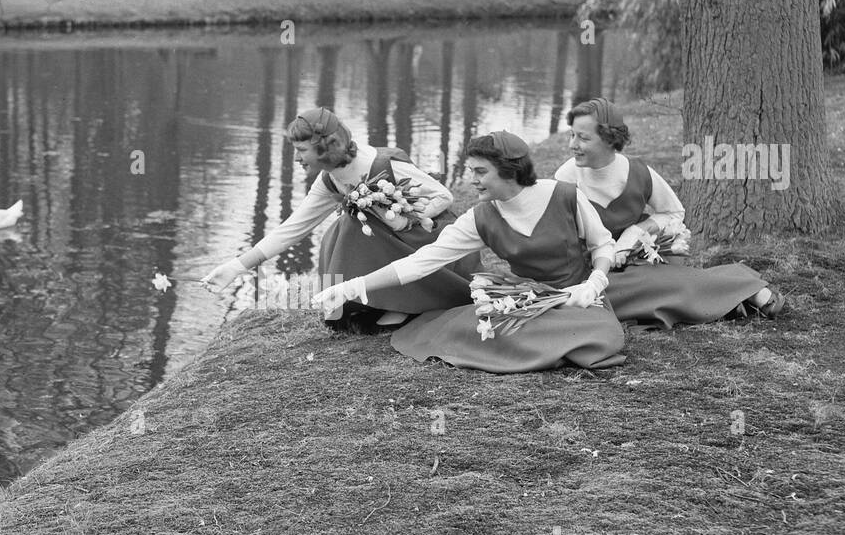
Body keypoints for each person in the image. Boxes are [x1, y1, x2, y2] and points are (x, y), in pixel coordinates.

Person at [313, 131, 626, 373]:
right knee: (471, 328)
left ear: (509, 170)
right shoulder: (480, 218)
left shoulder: (565, 195)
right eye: (471, 171)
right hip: (529, 300)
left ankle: (547, 342)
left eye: (480, 172)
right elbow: (422, 262)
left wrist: (595, 282)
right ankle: (544, 344)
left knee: (602, 336)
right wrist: (353, 286)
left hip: (583, 295)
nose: (472, 180)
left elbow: (602, 245)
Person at [201, 107, 473, 327]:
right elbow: (293, 228)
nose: (296, 158)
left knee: (354, 223)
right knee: (345, 226)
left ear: (327, 146)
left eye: (301, 150)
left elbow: (443, 196)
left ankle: (407, 304)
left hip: (425, 236)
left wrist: (407, 220)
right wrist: (237, 266)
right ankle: (372, 302)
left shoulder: (382, 164)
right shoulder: (329, 180)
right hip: (383, 241)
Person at [557, 98, 785, 329]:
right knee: (619, 293)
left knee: (652, 283)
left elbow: (674, 211)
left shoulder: (638, 172)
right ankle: (735, 294)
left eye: (583, 138)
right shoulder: (566, 178)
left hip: (637, 265)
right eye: (571, 135)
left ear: (609, 140)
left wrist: (635, 233)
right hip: (592, 273)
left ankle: (746, 290)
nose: (572, 144)